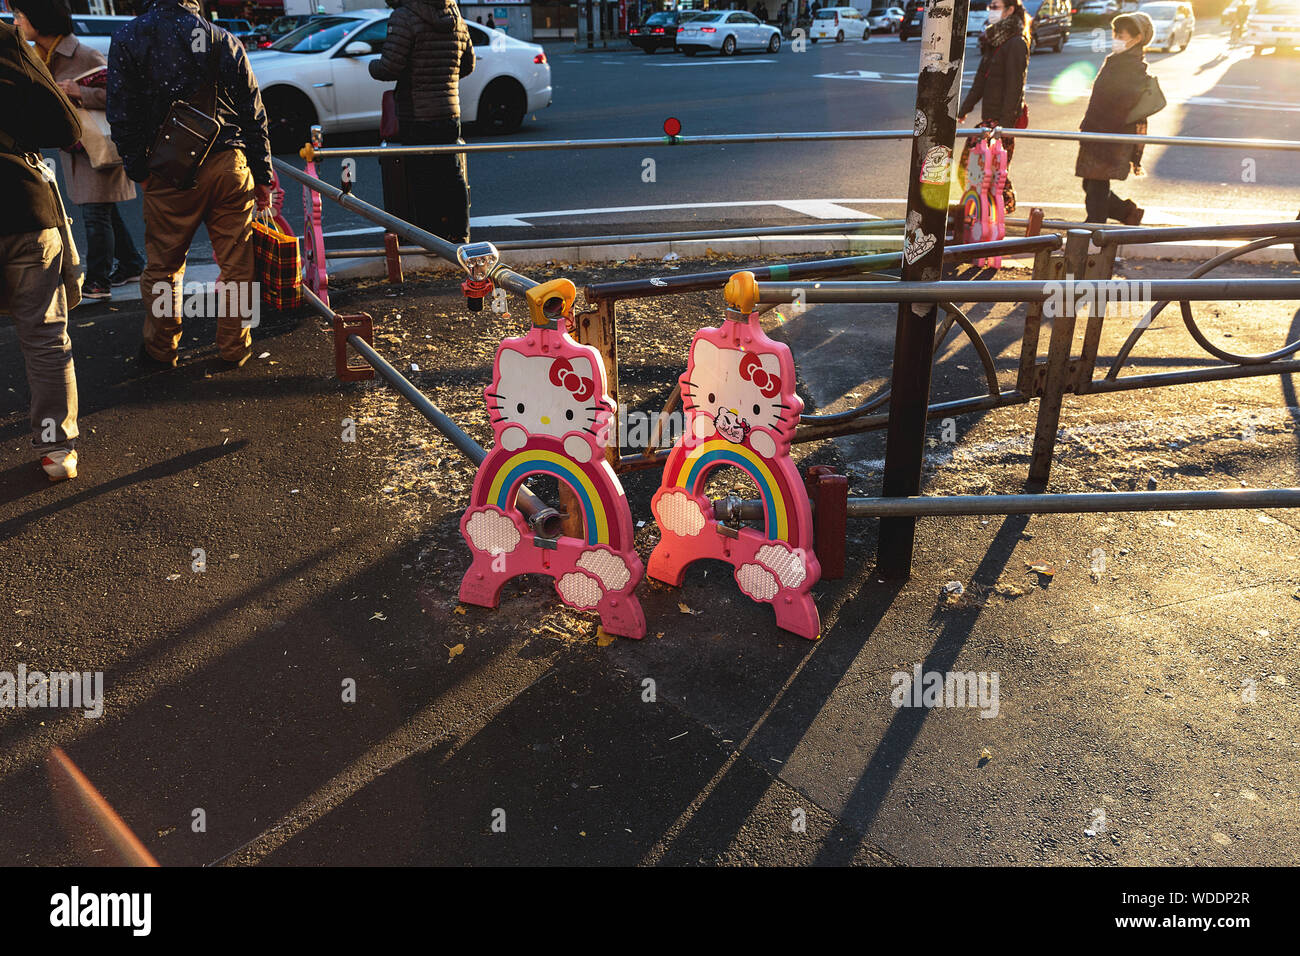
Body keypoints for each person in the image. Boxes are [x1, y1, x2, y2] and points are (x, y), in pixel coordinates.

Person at [107, 0, 274, 370]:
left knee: (164, 266)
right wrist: (262, 177)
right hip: (228, 162)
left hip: (168, 169)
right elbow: (253, 112)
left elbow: (121, 113)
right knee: (237, 263)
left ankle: (161, 350)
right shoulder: (223, 39)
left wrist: (140, 171)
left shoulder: (128, 37)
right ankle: (235, 347)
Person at [13, 0, 145, 303]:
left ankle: (98, 282)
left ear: (39, 19)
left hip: (98, 147)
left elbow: (121, 96)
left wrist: (80, 92)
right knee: (103, 210)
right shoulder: (37, 55)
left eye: (21, 15)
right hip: (77, 147)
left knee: (95, 213)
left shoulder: (83, 53)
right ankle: (132, 264)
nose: (17, 21)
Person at [0, 16, 83, 480]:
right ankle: (56, 452)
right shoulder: (6, 38)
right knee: (45, 336)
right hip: (23, 208)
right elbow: (64, 125)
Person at [369, 0, 475, 244]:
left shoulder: (404, 16)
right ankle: (460, 234)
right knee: (452, 173)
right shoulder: (454, 14)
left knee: (422, 178)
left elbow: (389, 67)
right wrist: (443, 79)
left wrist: (372, 66)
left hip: (416, 113)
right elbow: (468, 64)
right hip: (450, 111)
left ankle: (431, 239)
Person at [1075, 12, 1154, 226]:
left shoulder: (1133, 67)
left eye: (1121, 35)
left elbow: (1122, 104)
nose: (1116, 38)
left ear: (1137, 38)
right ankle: (1128, 213)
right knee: (1090, 184)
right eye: (1115, 33)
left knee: (1096, 188)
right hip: (1098, 131)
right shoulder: (1116, 61)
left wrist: (1100, 130)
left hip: (1110, 135)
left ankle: (1093, 232)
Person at [957, 0, 1030, 212]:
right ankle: (987, 212)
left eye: (996, 6)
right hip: (988, 119)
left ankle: (1000, 210)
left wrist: (1004, 127)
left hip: (1000, 122)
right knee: (978, 169)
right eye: (991, 6)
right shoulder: (995, 40)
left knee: (992, 171)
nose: (991, 10)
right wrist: (965, 109)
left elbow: (1015, 87)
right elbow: (981, 79)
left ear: (1009, 10)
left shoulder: (1016, 43)